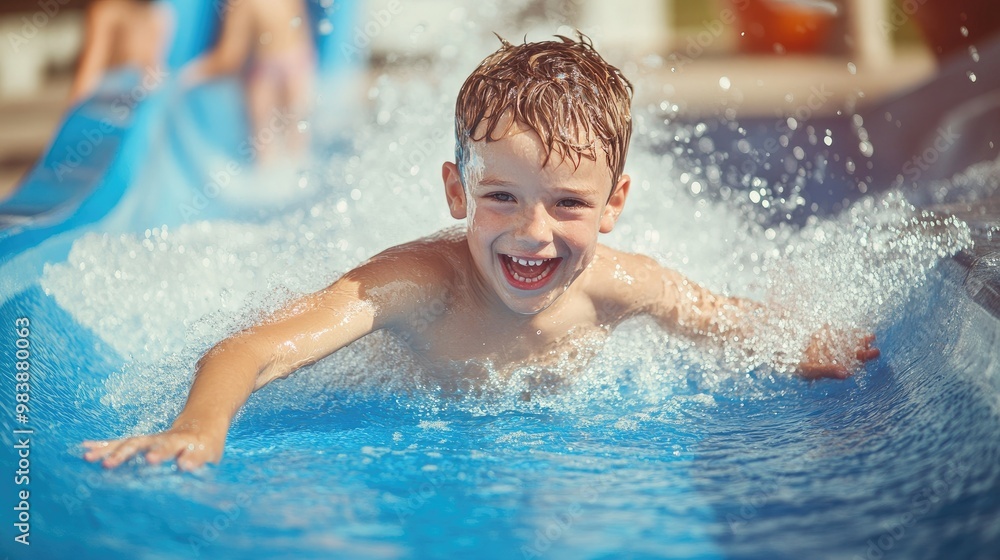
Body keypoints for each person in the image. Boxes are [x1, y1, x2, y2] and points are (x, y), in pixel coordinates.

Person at [83, 35, 879, 471]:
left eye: (569, 203)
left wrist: (807, 347)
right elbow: (250, 349)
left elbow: (729, 322)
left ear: (614, 207)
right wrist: (200, 426)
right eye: (502, 196)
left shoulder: (621, 285)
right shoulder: (417, 285)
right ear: (458, 195)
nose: (533, 234)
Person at [181, 0, 316, 162]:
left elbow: (230, 57)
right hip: (298, 62)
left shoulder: (242, 3)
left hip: (264, 73)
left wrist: (189, 75)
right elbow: (302, 26)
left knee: (264, 151)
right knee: (297, 144)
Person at [69, 0, 174, 105]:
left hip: (117, 92)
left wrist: (72, 107)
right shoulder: (161, 14)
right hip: (135, 94)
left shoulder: (109, 11)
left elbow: (91, 68)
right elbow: (155, 69)